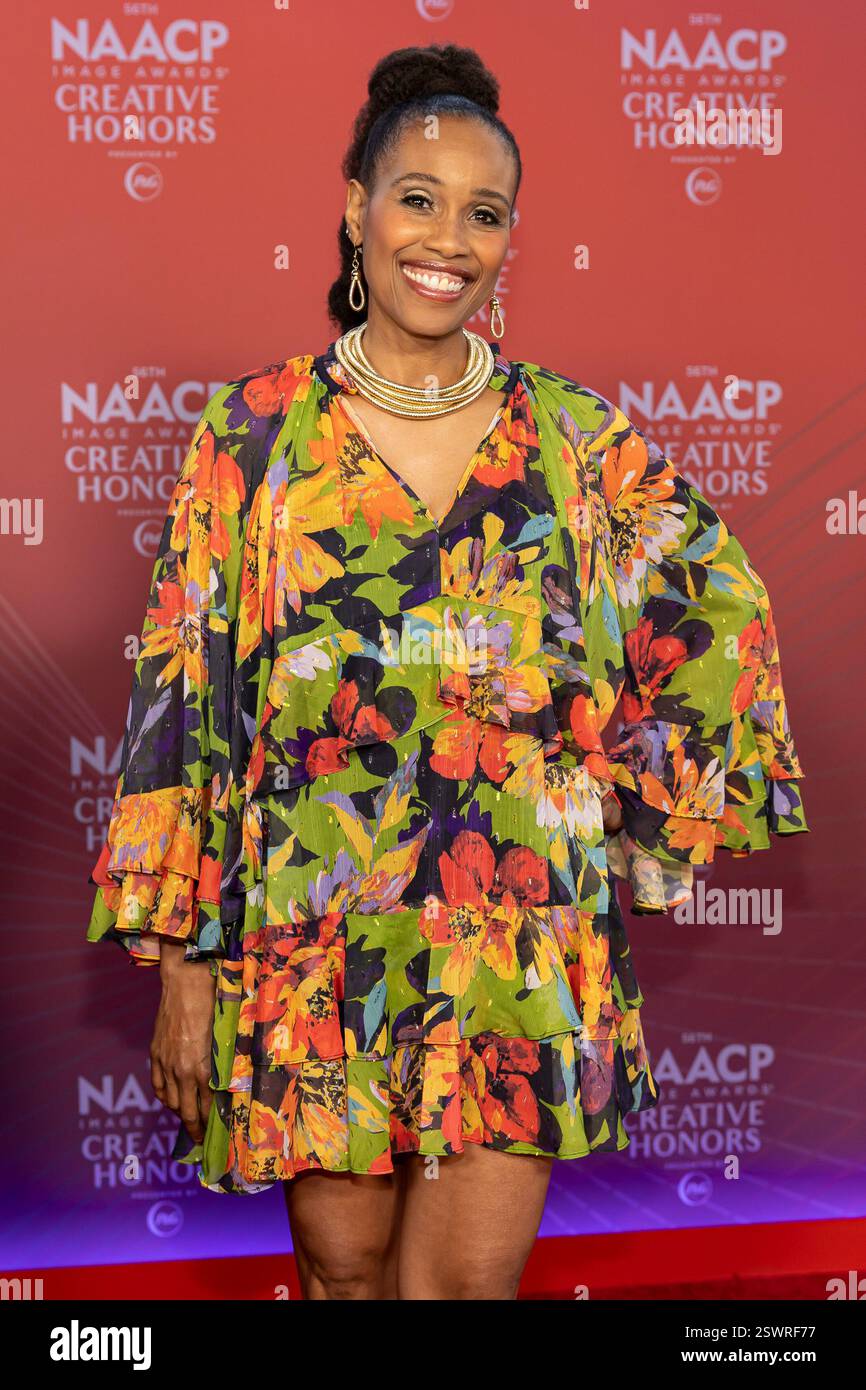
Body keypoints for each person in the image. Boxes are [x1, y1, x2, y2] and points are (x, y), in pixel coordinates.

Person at [85, 43, 808, 1300]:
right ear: (355, 209)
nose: (446, 238)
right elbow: (180, 703)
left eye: (483, 213)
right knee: (340, 1268)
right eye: (416, 197)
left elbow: (717, 614)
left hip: (517, 938)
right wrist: (183, 961)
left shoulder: (578, 440)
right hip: (312, 934)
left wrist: (653, 821)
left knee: (465, 1289)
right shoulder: (253, 434)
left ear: (509, 238)